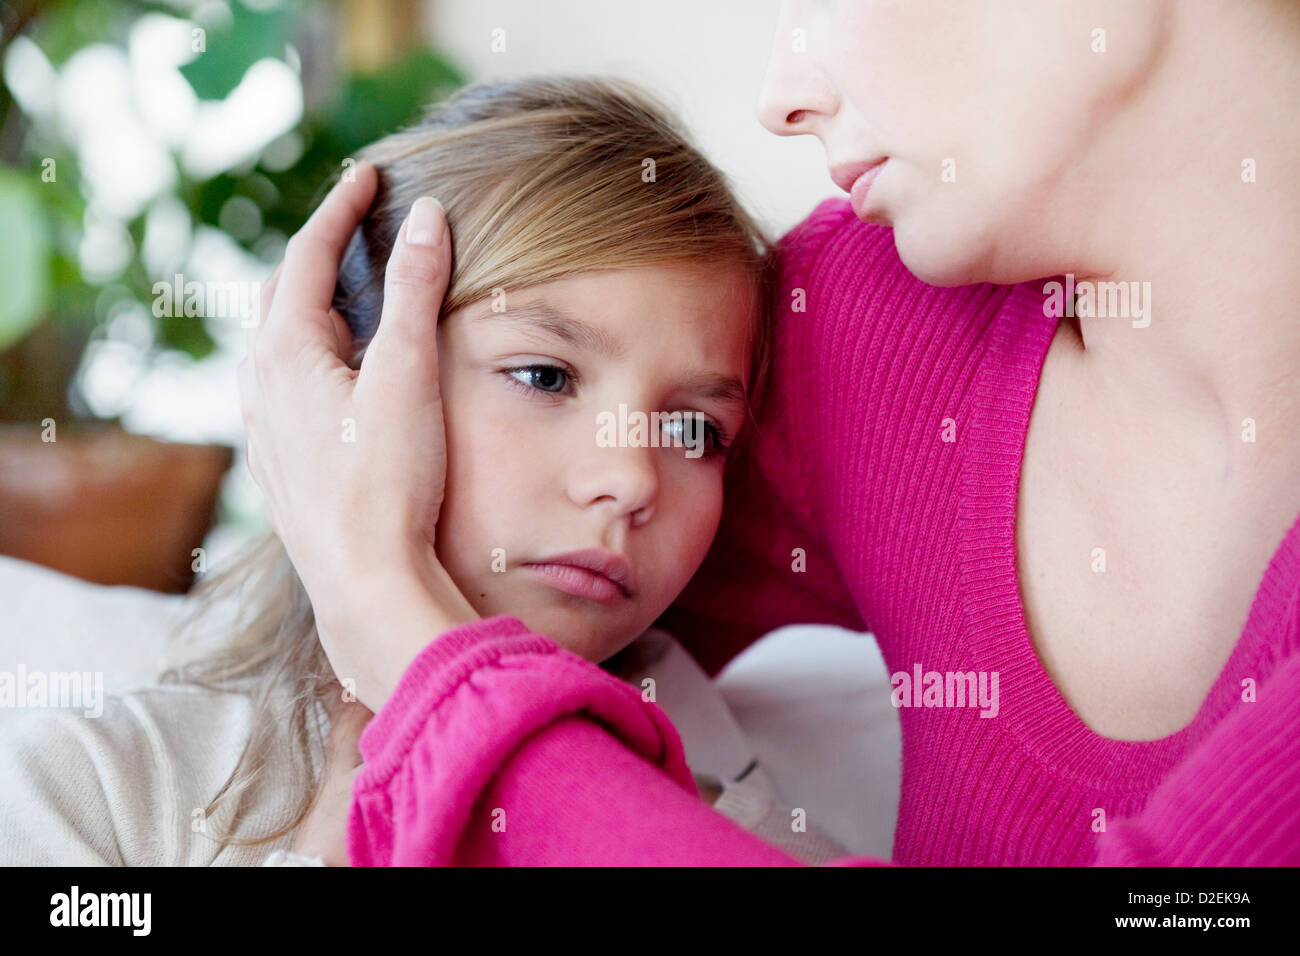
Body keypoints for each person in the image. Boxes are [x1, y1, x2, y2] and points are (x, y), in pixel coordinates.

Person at [242, 0, 1300, 865]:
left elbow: (413, 624)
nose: (781, 97)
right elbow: (495, 587)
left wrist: (399, 627)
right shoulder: (862, 326)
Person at [0, 76, 851, 866]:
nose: (632, 480)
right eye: (545, 376)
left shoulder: (741, 834)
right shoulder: (90, 792)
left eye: (693, 429)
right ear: (339, 387)